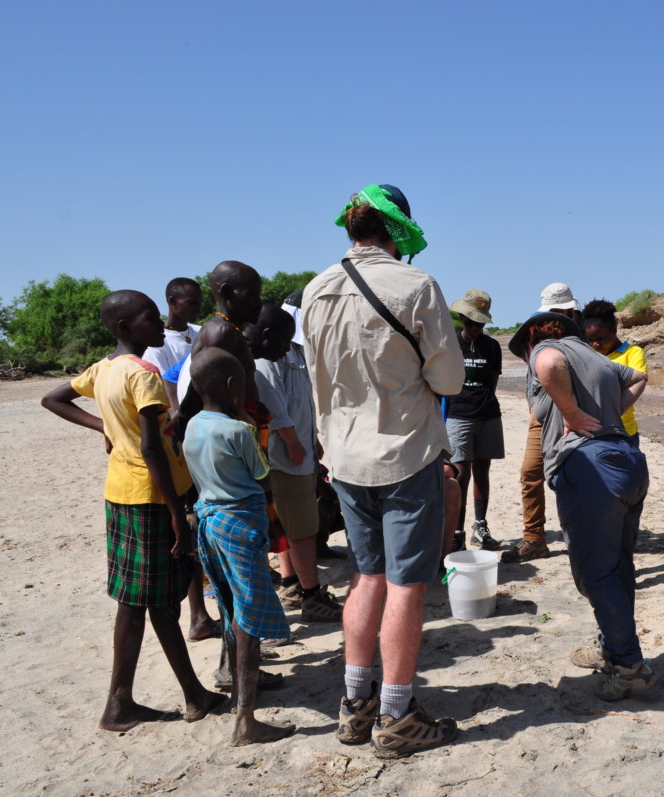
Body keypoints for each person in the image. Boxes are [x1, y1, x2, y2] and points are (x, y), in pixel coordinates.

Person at [303, 183, 463, 757]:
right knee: (405, 583)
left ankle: (354, 704)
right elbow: (447, 380)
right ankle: (396, 713)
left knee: (365, 576)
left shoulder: (317, 288)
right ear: (396, 231)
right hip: (404, 453)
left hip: (344, 456)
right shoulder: (416, 285)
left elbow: (316, 380)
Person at [40, 290, 225, 732]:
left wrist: (104, 424)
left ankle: (123, 702)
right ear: (125, 328)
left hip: (121, 493)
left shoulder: (104, 370)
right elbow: (151, 448)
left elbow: (54, 399)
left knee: (134, 599)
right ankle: (184, 695)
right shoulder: (142, 374)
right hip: (151, 497)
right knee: (158, 601)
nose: (159, 322)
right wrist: (178, 514)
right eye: (148, 317)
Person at [508, 312, 654, 701]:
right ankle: (613, 644)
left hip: (591, 469)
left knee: (596, 573)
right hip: (628, 461)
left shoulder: (548, 350)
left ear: (531, 339)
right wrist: (609, 415)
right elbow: (639, 377)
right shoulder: (596, 356)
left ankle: (628, 666)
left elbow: (548, 364)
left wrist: (573, 415)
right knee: (618, 564)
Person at [183, 347, 296, 745]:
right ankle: (246, 719)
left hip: (209, 526)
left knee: (230, 606)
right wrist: (248, 421)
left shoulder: (193, 425)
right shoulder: (239, 431)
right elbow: (262, 476)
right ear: (234, 387)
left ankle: (235, 686)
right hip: (241, 527)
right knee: (247, 617)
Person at [249, 303, 344, 622]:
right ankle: (311, 596)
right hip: (285, 456)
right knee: (301, 527)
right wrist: (293, 442)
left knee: (290, 524)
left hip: (297, 448)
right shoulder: (265, 360)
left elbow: (303, 400)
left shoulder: (288, 351)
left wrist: (312, 436)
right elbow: (274, 406)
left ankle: (292, 584)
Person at [142, 276, 216, 641]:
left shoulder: (200, 331)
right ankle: (198, 614)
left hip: (204, 433)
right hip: (182, 441)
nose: (196, 308)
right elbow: (165, 395)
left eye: (199, 301)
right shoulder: (157, 348)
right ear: (172, 302)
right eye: (189, 302)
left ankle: (207, 603)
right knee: (189, 527)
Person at [501, 282, 581, 564]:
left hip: (573, 415)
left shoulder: (578, 339)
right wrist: (533, 408)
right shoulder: (535, 337)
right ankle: (534, 538)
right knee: (530, 473)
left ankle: (580, 537)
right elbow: (531, 380)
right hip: (542, 418)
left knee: (572, 476)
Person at [446, 289, 504, 552]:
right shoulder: (450, 344)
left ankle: (480, 526)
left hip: (487, 416)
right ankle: (456, 530)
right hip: (458, 417)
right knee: (459, 474)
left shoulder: (492, 346)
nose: (474, 327)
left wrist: (483, 404)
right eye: (470, 322)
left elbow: (492, 381)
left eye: (479, 323)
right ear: (461, 319)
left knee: (482, 471)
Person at [581, 299, 646, 446]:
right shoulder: (588, 355)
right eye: (590, 340)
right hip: (593, 433)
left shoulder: (633, 353)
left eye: (600, 339)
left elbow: (639, 381)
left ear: (614, 329)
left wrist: (612, 415)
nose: (595, 345)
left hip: (624, 433)